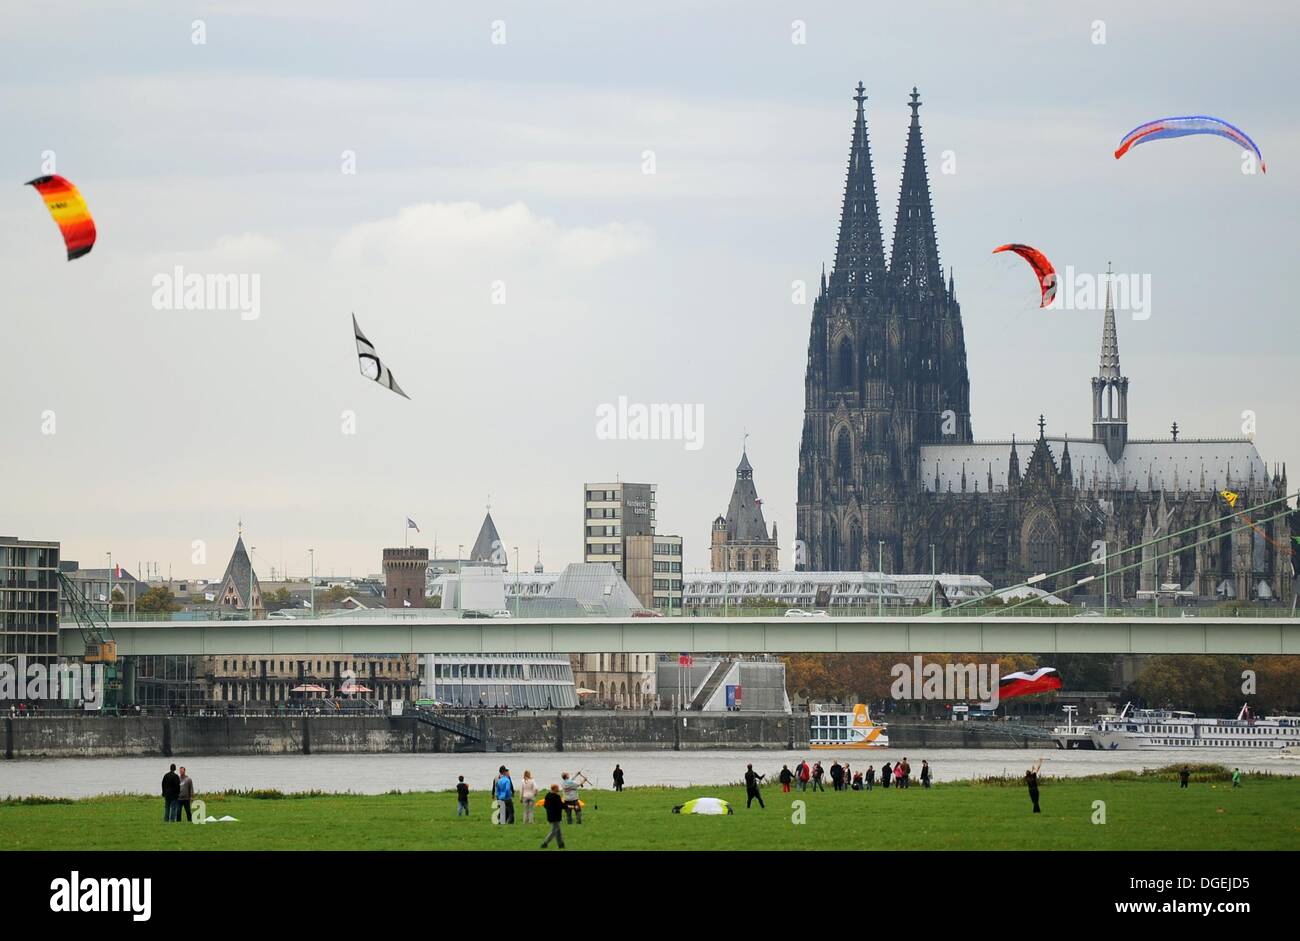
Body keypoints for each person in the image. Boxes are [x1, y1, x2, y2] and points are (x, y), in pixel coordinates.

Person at [540, 783, 566, 849]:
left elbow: (545, 805)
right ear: (554, 789)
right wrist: (568, 806)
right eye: (557, 788)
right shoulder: (556, 797)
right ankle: (545, 843)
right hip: (556, 816)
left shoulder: (547, 795)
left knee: (558, 831)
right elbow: (561, 805)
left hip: (550, 815)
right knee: (554, 831)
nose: (559, 789)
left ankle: (561, 844)